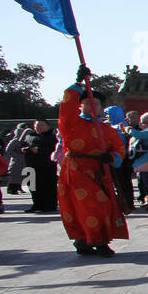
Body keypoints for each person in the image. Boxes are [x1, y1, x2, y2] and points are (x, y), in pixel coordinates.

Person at [58, 67, 129, 256]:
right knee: (85, 206)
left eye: (96, 103)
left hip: (99, 170)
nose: (92, 106)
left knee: (102, 204)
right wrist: (79, 83)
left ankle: (89, 240)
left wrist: (113, 157)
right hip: (76, 170)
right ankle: (94, 241)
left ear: (101, 107)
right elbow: (66, 107)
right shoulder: (71, 123)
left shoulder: (107, 129)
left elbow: (120, 149)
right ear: (80, 106)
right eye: (87, 103)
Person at [21, 119, 58, 213]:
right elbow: (22, 145)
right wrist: (25, 149)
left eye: (42, 125)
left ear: (48, 126)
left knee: (48, 186)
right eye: (37, 125)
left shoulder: (52, 137)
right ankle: (37, 204)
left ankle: (50, 205)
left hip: (47, 166)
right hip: (31, 165)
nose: (40, 127)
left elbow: (54, 150)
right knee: (33, 186)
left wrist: (39, 150)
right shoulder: (29, 136)